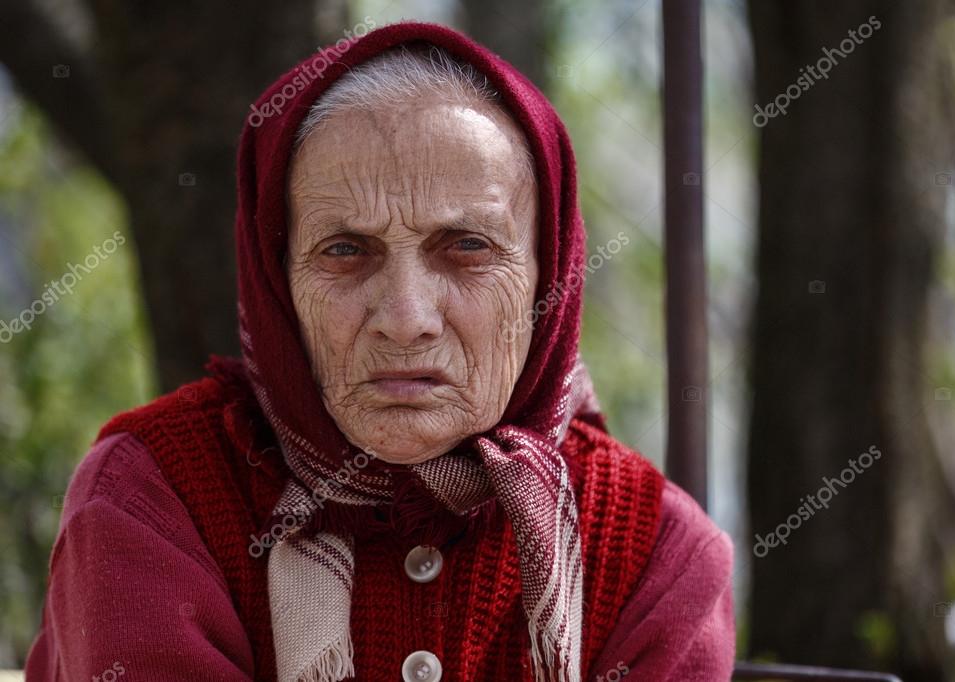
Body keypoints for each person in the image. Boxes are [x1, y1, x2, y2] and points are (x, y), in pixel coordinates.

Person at [25, 20, 734, 682]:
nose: (405, 318)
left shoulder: (654, 553)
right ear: (277, 282)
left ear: (546, 276)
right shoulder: (154, 496)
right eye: (344, 251)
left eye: (466, 248)